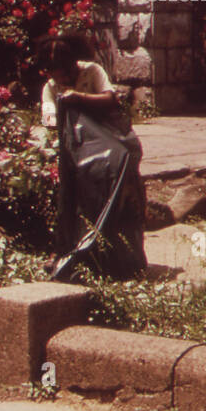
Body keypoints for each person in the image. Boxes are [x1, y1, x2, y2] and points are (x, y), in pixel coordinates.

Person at [36, 38, 147, 280]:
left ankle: (122, 259)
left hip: (111, 143)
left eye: (64, 74)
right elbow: (49, 120)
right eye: (56, 76)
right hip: (78, 151)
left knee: (116, 191)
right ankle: (69, 251)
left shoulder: (92, 72)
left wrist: (79, 98)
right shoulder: (50, 87)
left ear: (72, 65)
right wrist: (60, 106)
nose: (61, 81)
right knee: (70, 198)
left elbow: (111, 99)